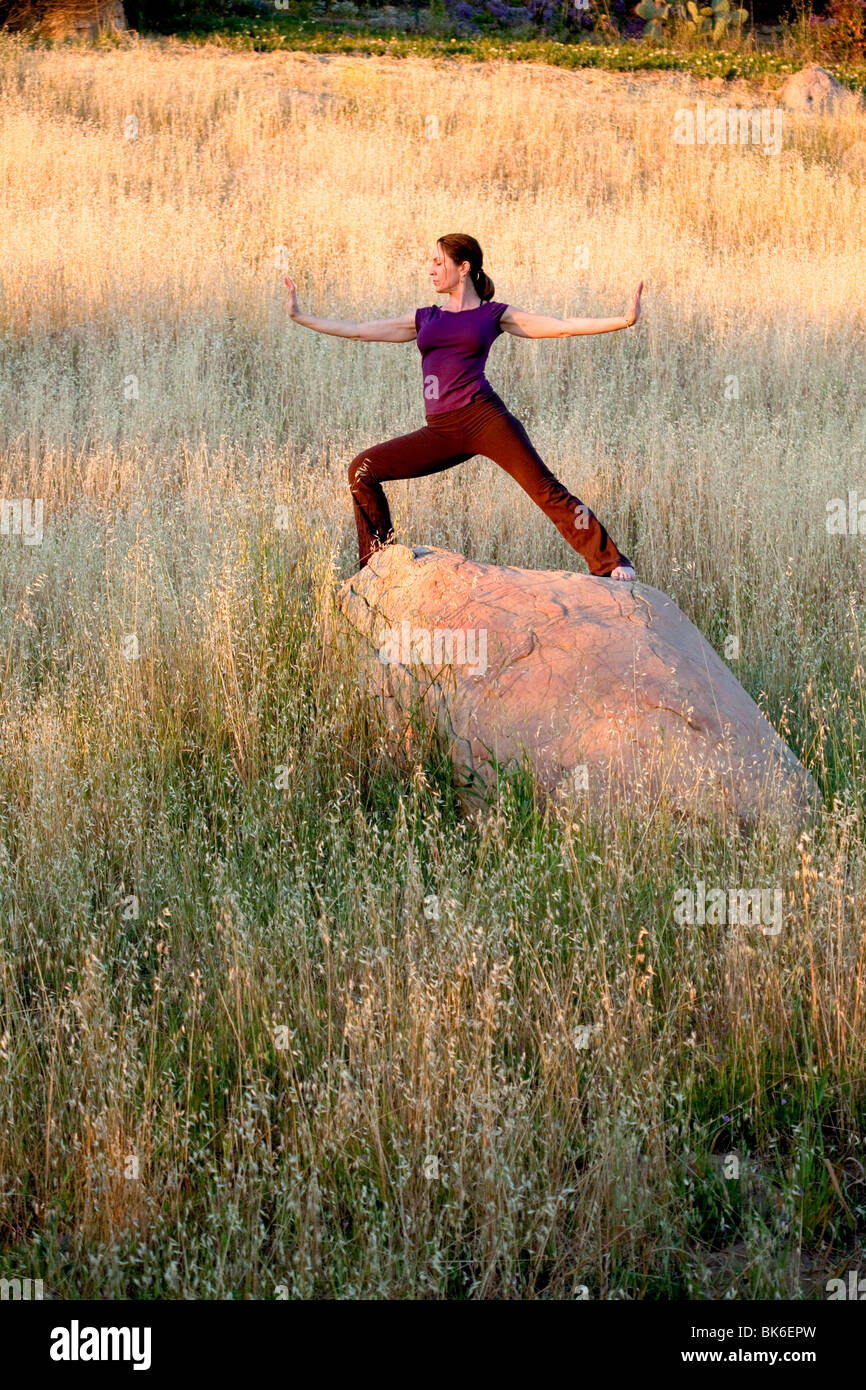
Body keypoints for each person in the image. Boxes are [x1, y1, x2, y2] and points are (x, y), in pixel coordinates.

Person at [285, 232, 641, 580]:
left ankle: (610, 562)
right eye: (431, 263)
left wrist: (622, 320)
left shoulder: (493, 314)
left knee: (546, 490)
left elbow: (561, 327)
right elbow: (361, 329)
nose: (431, 270)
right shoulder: (425, 318)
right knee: (362, 469)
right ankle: (377, 566)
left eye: (439, 262)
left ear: (464, 267)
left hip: (486, 420)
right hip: (440, 430)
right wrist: (302, 316)